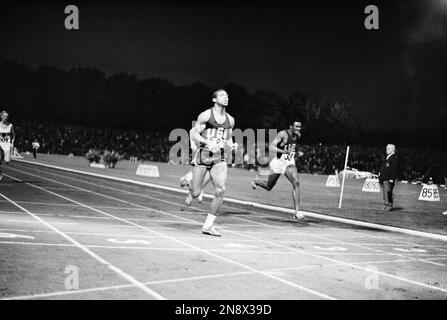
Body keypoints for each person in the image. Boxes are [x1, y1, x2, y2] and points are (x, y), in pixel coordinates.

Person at [189, 89, 236, 236]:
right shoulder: (206, 115)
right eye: (222, 95)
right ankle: (189, 180)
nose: (226, 97)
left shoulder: (231, 120)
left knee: (220, 190)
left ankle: (208, 226)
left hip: (218, 158)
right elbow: (193, 133)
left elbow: (228, 138)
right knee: (196, 193)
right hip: (203, 156)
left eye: (227, 95)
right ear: (214, 100)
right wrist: (206, 142)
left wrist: (231, 145)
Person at [251, 121, 304, 220]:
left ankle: (297, 211)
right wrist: (284, 151)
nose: (299, 128)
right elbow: (271, 147)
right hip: (278, 162)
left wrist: (297, 152)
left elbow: (293, 146)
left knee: (296, 182)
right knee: (268, 187)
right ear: (291, 126)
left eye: (300, 126)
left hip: (289, 163)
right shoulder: (282, 134)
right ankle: (257, 181)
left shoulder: (298, 135)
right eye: (296, 126)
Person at [179, 127, 212, 205]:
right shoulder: (196, 145)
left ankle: (194, 194)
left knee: (202, 183)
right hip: (198, 161)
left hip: (208, 162)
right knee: (192, 186)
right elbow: (193, 135)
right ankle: (191, 188)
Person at [378, 144, 398, 211]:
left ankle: (389, 205)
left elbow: (394, 169)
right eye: (386, 148)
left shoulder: (394, 158)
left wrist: (392, 178)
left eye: (388, 148)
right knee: (384, 192)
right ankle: (385, 203)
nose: (386, 150)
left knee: (388, 192)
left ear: (392, 149)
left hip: (388, 178)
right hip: (383, 178)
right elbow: (384, 167)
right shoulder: (388, 157)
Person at [0, 110, 15, 180]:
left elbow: (13, 135)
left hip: (7, 145)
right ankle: (0, 174)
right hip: (0, 144)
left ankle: (4, 157)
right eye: (4, 116)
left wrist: (12, 142)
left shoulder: (10, 125)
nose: (5, 118)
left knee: (7, 161)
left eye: (7, 116)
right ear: (1, 116)